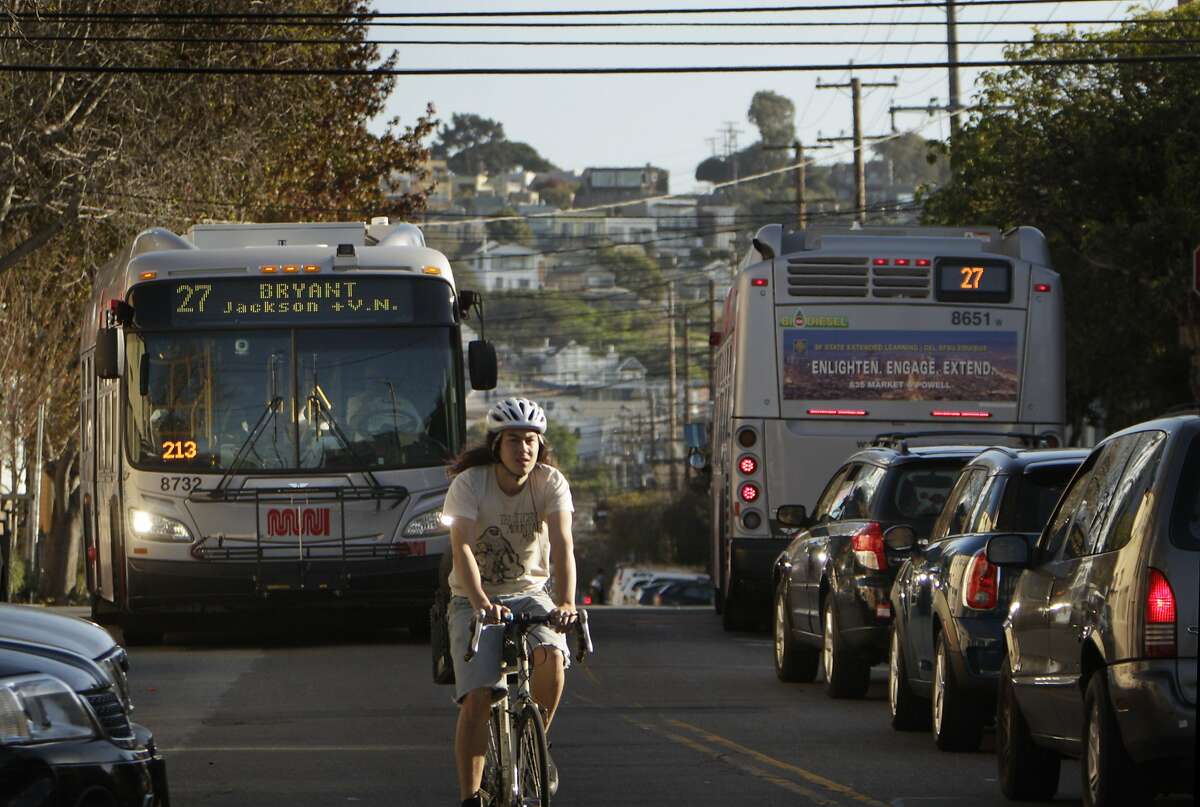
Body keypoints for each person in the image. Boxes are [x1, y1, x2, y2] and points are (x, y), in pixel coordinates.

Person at [443, 397, 578, 807]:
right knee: (480, 696)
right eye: (515, 440)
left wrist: (567, 601)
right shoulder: (469, 484)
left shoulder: (550, 481)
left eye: (532, 441)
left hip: (531, 594)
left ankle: (535, 745)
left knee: (552, 658)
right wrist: (482, 602)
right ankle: (471, 795)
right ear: (496, 445)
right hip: (473, 599)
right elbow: (462, 547)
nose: (524, 449)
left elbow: (563, 544)